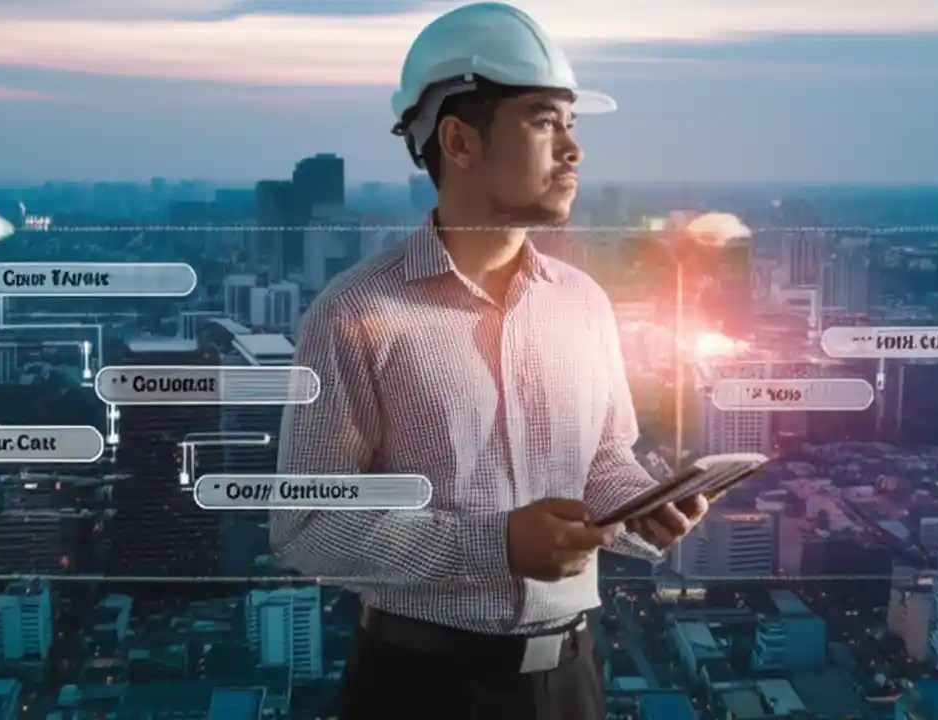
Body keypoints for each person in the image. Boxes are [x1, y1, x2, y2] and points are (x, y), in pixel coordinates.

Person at [271, 3, 708, 718]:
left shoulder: (584, 303)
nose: (574, 150)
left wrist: (646, 507)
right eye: (543, 121)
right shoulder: (355, 315)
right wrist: (496, 545)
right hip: (417, 687)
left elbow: (602, 460)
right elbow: (307, 526)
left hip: (571, 680)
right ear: (459, 140)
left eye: (572, 125)